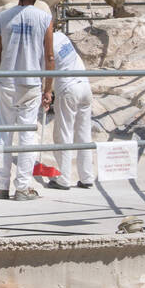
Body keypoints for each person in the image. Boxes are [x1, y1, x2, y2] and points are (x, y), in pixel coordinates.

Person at [0, 0, 54, 201]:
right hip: (31, 83)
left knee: (4, 133)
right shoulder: (44, 18)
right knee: (27, 135)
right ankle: (23, 188)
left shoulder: (2, 18)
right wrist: (48, 89)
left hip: (6, 82)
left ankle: (2, 186)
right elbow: (50, 57)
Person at [48, 30, 95, 190]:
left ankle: (64, 179)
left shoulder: (47, 45)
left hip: (68, 90)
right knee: (84, 134)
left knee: (64, 134)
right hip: (85, 86)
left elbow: (46, 71)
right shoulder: (61, 37)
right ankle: (87, 177)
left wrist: (46, 92)